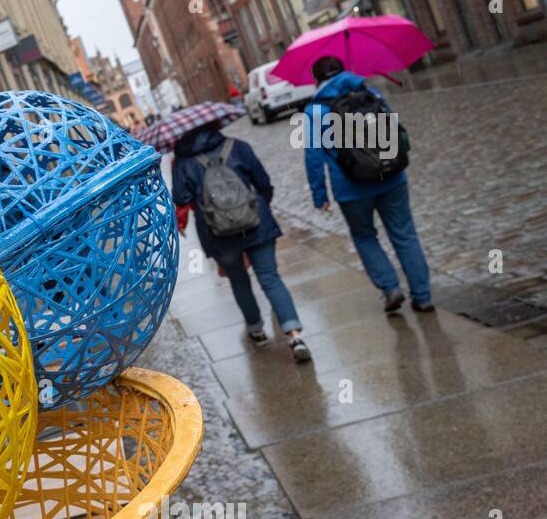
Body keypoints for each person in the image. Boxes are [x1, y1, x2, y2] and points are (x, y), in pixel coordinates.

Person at [173, 121, 312, 362]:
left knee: (239, 281)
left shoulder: (183, 162)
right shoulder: (237, 146)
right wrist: (259, 206)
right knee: (270, 278)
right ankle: (295, 336)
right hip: (256, 223)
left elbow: (181, 197)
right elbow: (263, 182)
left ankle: (256, 329)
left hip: (217, 231)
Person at [303, 56, 433, 313]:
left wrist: (320, 194)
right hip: (393, 178)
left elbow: (313, 156)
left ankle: (390, 288)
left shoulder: (313, 111)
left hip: (351, 188)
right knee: (405, 234)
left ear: (316, 80)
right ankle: (423, 296)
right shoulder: (371, 92)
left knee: (364, 236)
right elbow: (396, 128)